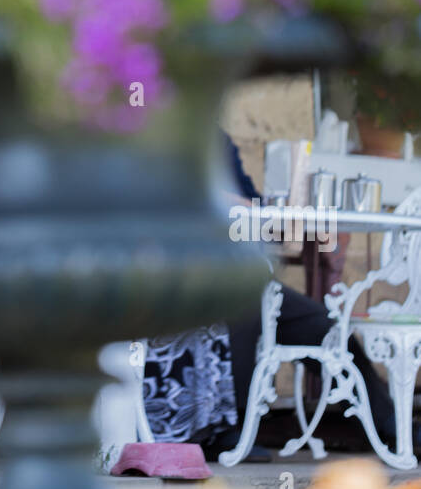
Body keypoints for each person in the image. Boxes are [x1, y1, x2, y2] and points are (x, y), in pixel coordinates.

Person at [139, 133, 405, 462]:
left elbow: (257, 208)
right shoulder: (152, 135)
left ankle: (391, 425)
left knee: (322, 325)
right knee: (245, 300)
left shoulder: (219, 141)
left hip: (233, 264)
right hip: (178, 268)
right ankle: (230, 428)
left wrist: (269, 215)